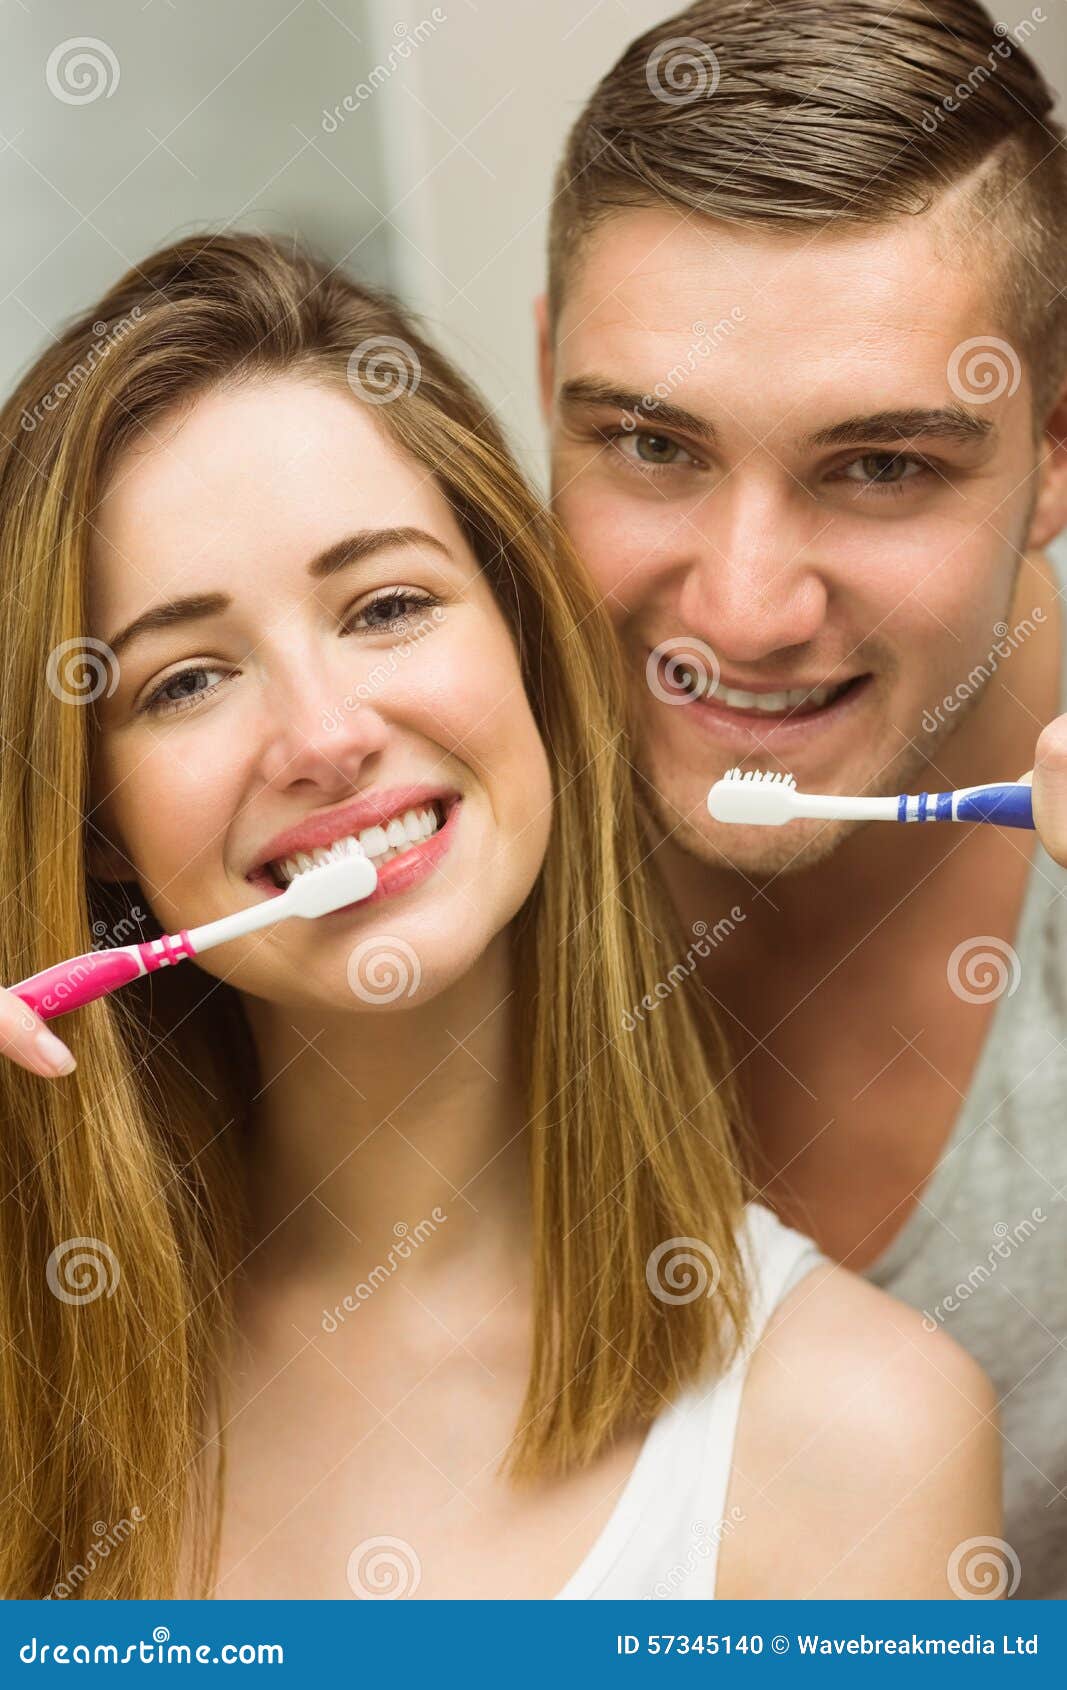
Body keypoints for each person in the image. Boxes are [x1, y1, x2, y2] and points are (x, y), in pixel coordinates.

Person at [0, 233, 996, 1600]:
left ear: (526, 641)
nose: (327, 735)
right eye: (185, 681)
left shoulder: (863, 1436)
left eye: (389, 604)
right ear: (96, 820)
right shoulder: (30, 1367)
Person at [537, 0, 1067, 1599]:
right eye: (651, 443)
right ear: (545, 363)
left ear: (1056, 450)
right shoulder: (394, 790)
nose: (750, 606)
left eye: (882, 466)